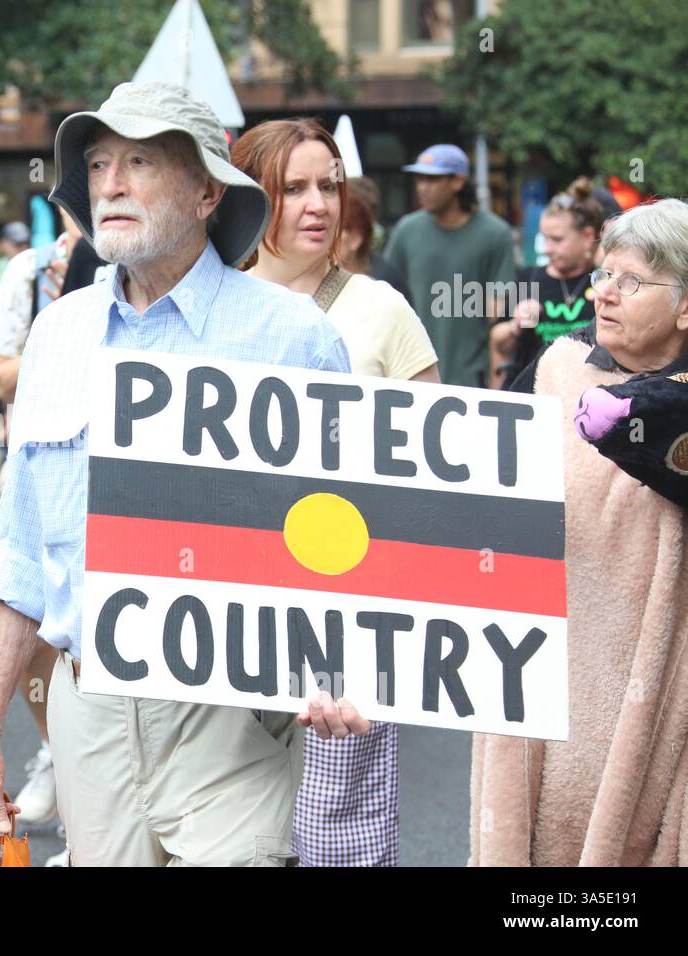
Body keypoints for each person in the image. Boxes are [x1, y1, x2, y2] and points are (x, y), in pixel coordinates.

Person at [0, 82, 371, 867]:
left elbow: (342, 534)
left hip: (229, 710)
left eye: (139, 161)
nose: (109, 182)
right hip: (87, 710)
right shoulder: (56, 336)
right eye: (100, 163)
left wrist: (341, 672)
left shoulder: (293, 337)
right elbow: (21, 555)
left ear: (208, 189)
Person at [232, 118, 438, 867]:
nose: (319, 204)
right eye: (293, 188)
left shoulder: (381, 310)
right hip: (226, 611)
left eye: (329, 185)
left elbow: (432, 479)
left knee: (336, 835)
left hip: (346, 620)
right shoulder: (205, 312)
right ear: (254, 197)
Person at [473, 198, 688, 866]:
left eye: (630, 280)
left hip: (660, 708)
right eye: (605, 274)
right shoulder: (558, 370)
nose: (603, 292)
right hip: (549, 684)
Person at [0, 207, 108, 853]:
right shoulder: (37, 276)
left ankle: (83, 773)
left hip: (124, 468)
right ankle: (59, 749)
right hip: (45, 451)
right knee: (36, 621)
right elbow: (0, 373)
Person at [385, 144, 517, 387]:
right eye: (419, 179)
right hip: (409, 374)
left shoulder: (495, 234)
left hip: (471, 380)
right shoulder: (406, 230)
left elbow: (497, 313)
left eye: (431, 179)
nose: (422, 187)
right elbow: (385, 298)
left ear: (457, 182)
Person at [488, 179, 607, 388]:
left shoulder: (603, 282)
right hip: (532, 394)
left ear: (588, 236)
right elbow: (497, 340)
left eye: (557, 239)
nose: (547, 249)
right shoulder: (529, 278)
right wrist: (516, 325)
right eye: (545, 238)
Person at [339, 191, 412, 305]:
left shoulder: (384, 283)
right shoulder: (317, 279)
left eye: (335, 232)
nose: (324, 240)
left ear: (355, 239)